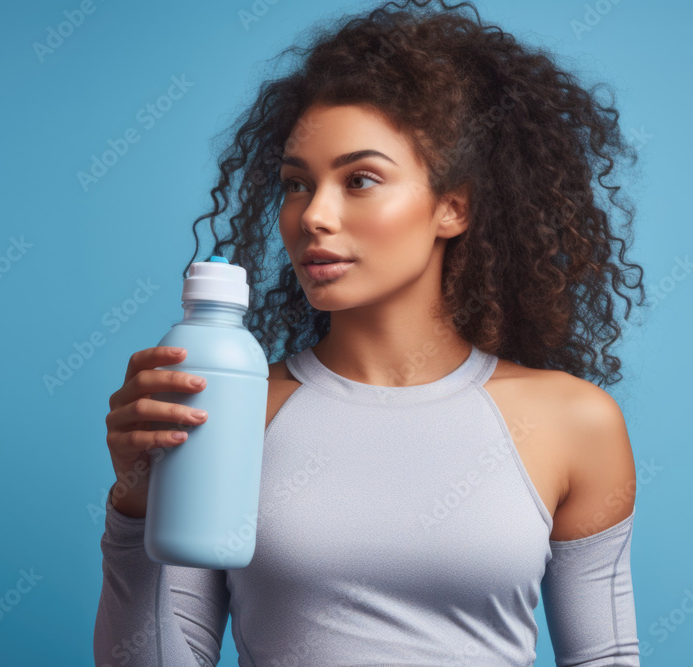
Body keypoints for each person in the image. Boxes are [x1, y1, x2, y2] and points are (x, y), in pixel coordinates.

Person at [94, 0, 648, 664]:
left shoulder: (574, 422)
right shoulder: (237, 406)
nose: (314, 216)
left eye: (360, 180)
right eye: (297, 185)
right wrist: (135, 508)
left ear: (453, 205)